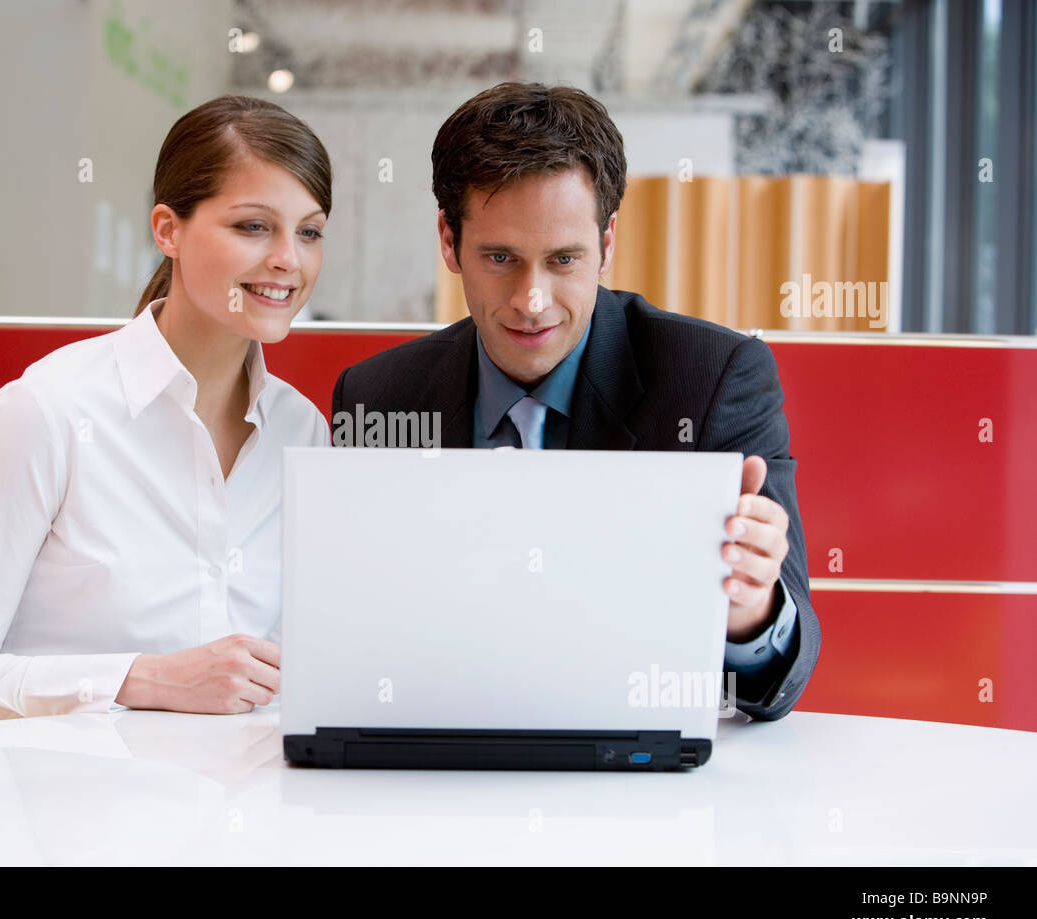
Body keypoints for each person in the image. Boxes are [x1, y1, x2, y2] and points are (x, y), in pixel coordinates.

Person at [331, 82, 819, 721]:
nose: (532, 300)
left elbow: (776, 683)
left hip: (633, 767)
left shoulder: (711, 381)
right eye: (500, 257)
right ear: (449, 243)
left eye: (564, 259)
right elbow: (358, 627)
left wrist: (751, 610)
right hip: (439, 748)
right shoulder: (378, 398)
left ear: (607, 244)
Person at [0, 95, 333, 728]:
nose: (289, 259)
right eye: (253, 226)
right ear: (167, 230)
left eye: (310, 231)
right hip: (71, 811)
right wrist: (142, 677)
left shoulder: (302, 430)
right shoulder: (46, 413)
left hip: (248, 810)